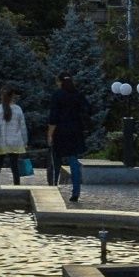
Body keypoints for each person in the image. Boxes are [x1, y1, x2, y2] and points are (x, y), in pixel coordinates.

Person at [46, 71, 91, 202]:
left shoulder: (57, 95)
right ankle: (76, 192)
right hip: (76, 131)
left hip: (60, 131)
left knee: (57, 161)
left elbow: (53, 117)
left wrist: (50, 134)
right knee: (73, 161)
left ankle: (54, 188)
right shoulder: (78, 94)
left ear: (59, 82)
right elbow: (88, 110)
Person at [0, 86, 30, 185]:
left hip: (1, 142)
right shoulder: (18, 109)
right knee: (15, 167)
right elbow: (23, 127)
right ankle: (17, 186)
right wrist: (25, 142)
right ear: (13, 96)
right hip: (15, 142)